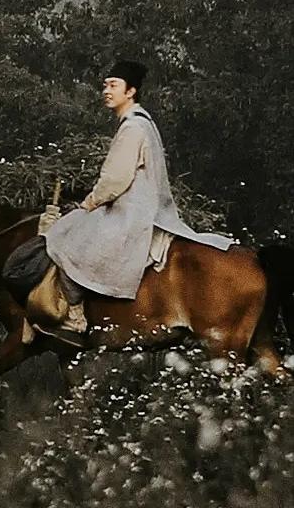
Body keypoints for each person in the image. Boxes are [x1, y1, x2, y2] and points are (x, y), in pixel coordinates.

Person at [36, 60, 234, 333]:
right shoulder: (144, 123)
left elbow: (115, 180)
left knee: (64, 238)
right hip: (142, 207)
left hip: (130, 212)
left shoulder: (132, 128)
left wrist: (89, 203)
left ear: (130, 92)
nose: (106, 90)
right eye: (105, 85)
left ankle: (74, 312)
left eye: (113, 85)